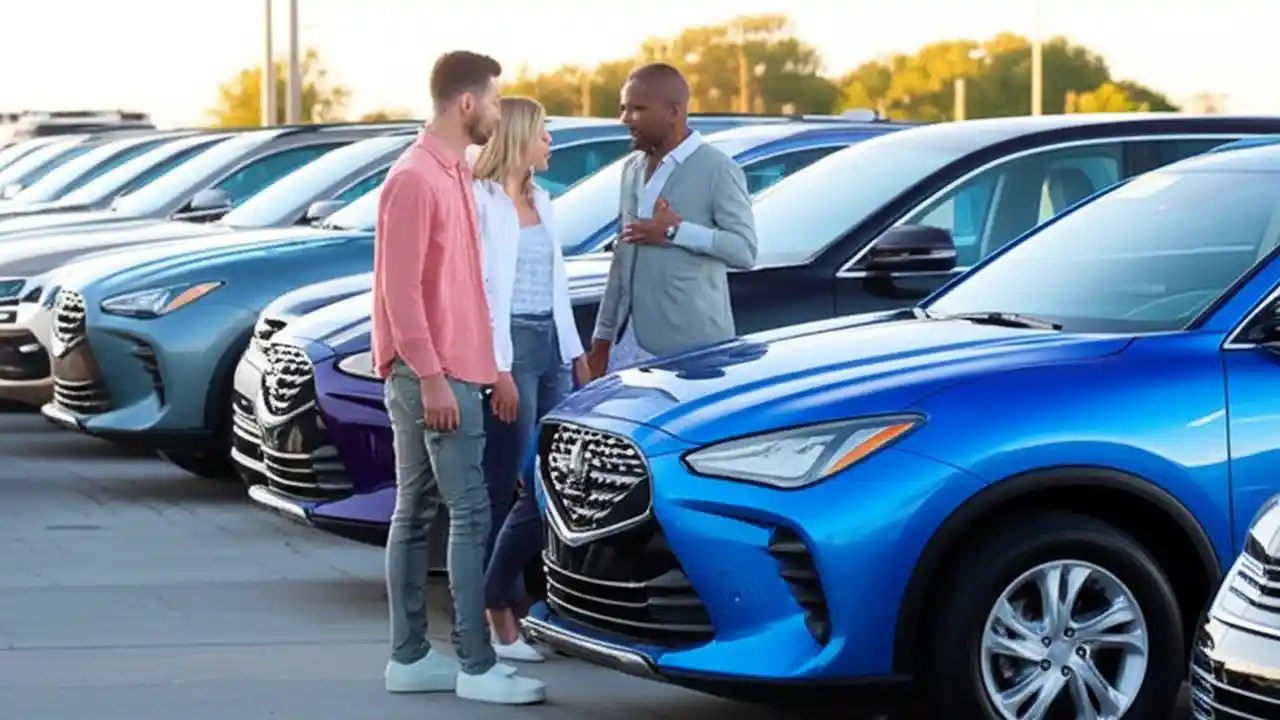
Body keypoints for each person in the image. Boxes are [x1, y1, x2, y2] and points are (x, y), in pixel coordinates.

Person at [372, 50, 545, 705]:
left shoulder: (454, 175)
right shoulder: (415, 178)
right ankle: (477, 666)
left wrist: (492, 366)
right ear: (466, 103)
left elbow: (471, 288)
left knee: (418, 513)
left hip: (456, 371)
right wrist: (434, 377)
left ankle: (411, 657)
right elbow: (401, 291)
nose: (501, 116)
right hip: (434, 379)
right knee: (467, 513)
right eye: (497, 103)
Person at [470, 96, 589, 662]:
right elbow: (484, 293)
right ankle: (500, 613)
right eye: (544, 134)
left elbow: (558, 285)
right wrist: (498, 369)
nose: (551, 144)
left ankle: (522, 600)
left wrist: (576, 354)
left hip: (551, 349)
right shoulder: (481, 199)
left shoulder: (544, 200)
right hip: (509, 349)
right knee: (505, 485)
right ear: (519, 137)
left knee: (551, 481)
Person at [587, 62, 759, 377]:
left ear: (674, 112)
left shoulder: (718, 170)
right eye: (624, 108)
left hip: (694, 352)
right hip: (628, 349)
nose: (625, 118)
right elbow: (621, 260)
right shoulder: (631, 169)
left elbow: (744, 251)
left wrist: (674, 231)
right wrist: (602, 339)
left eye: (638, 109)